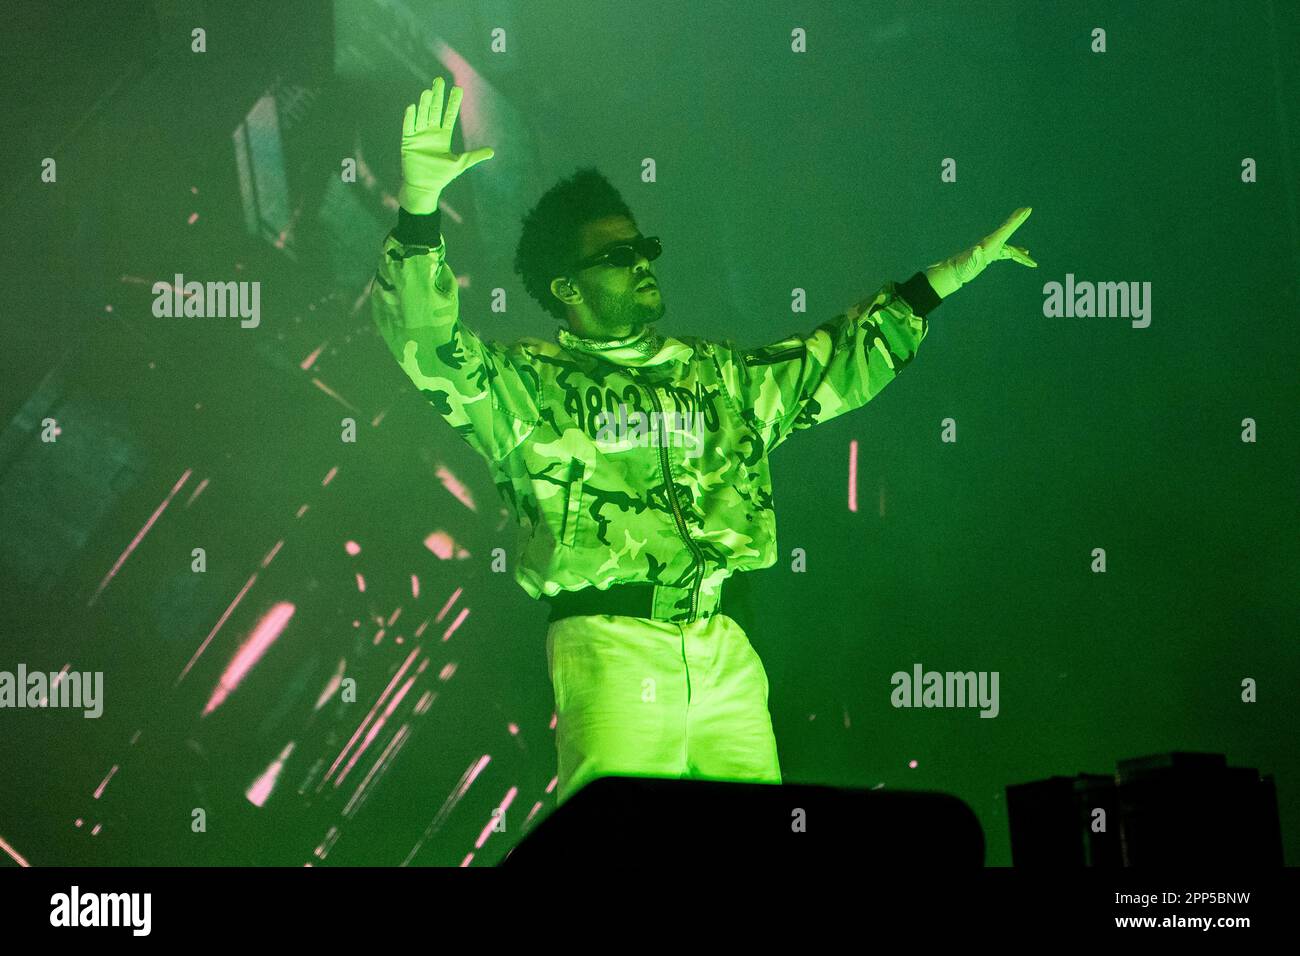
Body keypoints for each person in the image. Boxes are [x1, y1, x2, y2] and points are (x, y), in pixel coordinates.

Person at [369, 77, 1036, 805]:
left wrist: (945, 279)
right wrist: (419, 213)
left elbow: (830, 365)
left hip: (724, 645)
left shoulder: (714, 374)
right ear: (566, 288)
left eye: (644, 246)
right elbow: (427, 346)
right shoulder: (525, 389)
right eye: (617, 256)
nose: (643, 260)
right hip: (609, 648)